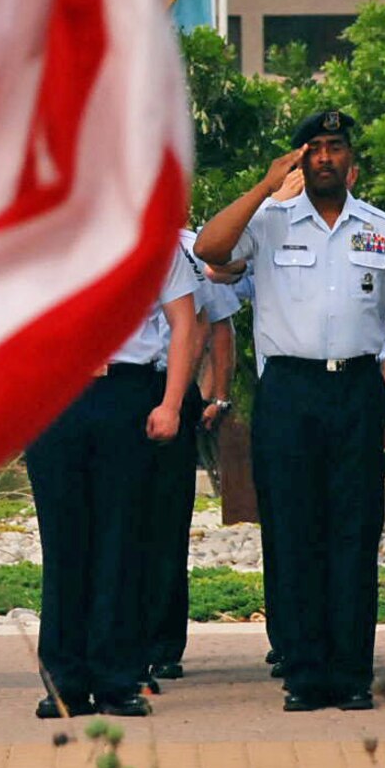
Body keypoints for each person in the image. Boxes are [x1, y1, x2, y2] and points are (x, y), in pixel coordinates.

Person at [195, 108, 385, 711]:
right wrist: (265, 186)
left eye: (335, 146)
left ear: (351, 159)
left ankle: (350, 674)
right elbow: (209, 246)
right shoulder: (268, 222)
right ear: (299, 159)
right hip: (289, 392)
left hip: (357, 390)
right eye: (314, 148)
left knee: (354, 532)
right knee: (292, 531)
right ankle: (303, 674)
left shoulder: (381, 229)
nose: (325, 156)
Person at [27, 236, 197, 719]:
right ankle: (64, 684)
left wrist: (171, 403)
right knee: (63, 544)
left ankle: (118, 680)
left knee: (123, 541)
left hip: (126, 391)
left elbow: (184, 322)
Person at [141, 228, 241, 684]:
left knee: (166, 520)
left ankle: (163, 644)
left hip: (173, 391)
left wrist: (215, 394)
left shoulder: (192, 246)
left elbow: (217, 326)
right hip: (123, 387)